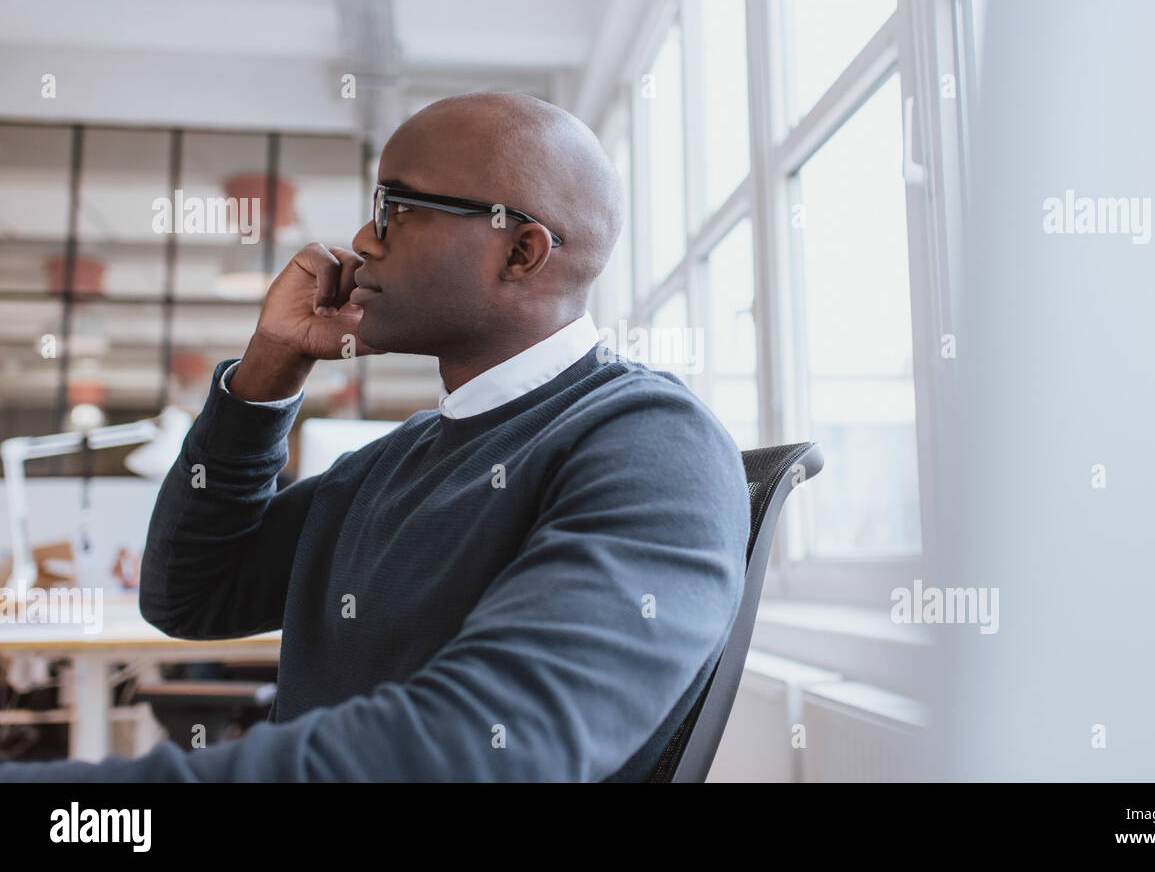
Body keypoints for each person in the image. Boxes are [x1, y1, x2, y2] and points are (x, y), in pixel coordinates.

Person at [0, 91, 750, 782]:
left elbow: (482, 746)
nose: (363, 238)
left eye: (396, 208)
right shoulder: (405, 456)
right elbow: (189, 593)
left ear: (520, 251)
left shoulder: (653, 443)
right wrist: (268, 368)